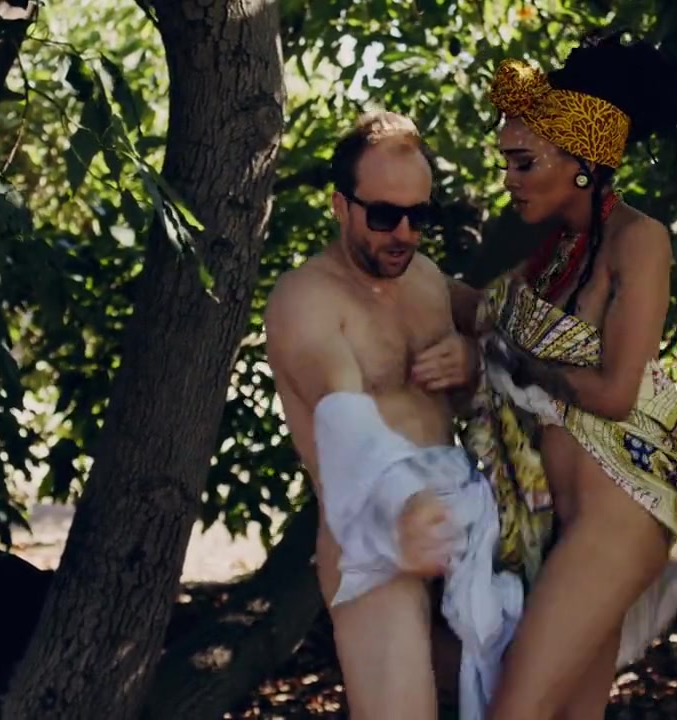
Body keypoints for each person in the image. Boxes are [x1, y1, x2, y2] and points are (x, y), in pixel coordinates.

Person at [418, 32, 677, 718]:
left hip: (617, 517)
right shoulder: (552, 259)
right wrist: (394, 262)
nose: (509, 180)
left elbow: (615, 393)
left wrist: (508, 359)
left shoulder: (639, 240)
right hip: (560, 525)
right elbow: (474, 310)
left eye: (525, 163)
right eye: (506, 163)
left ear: (582, 161)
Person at [264, 111, 522, 720]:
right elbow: (344, 419)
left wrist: (473, 356)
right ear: (341, 206)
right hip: (374, 530)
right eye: (383, 215)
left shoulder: (426, 278)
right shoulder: (305, 299)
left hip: (466, 515)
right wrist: (404, 509)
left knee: (526, 699)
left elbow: (516, 332)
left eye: (418, 216)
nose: (403, 233)